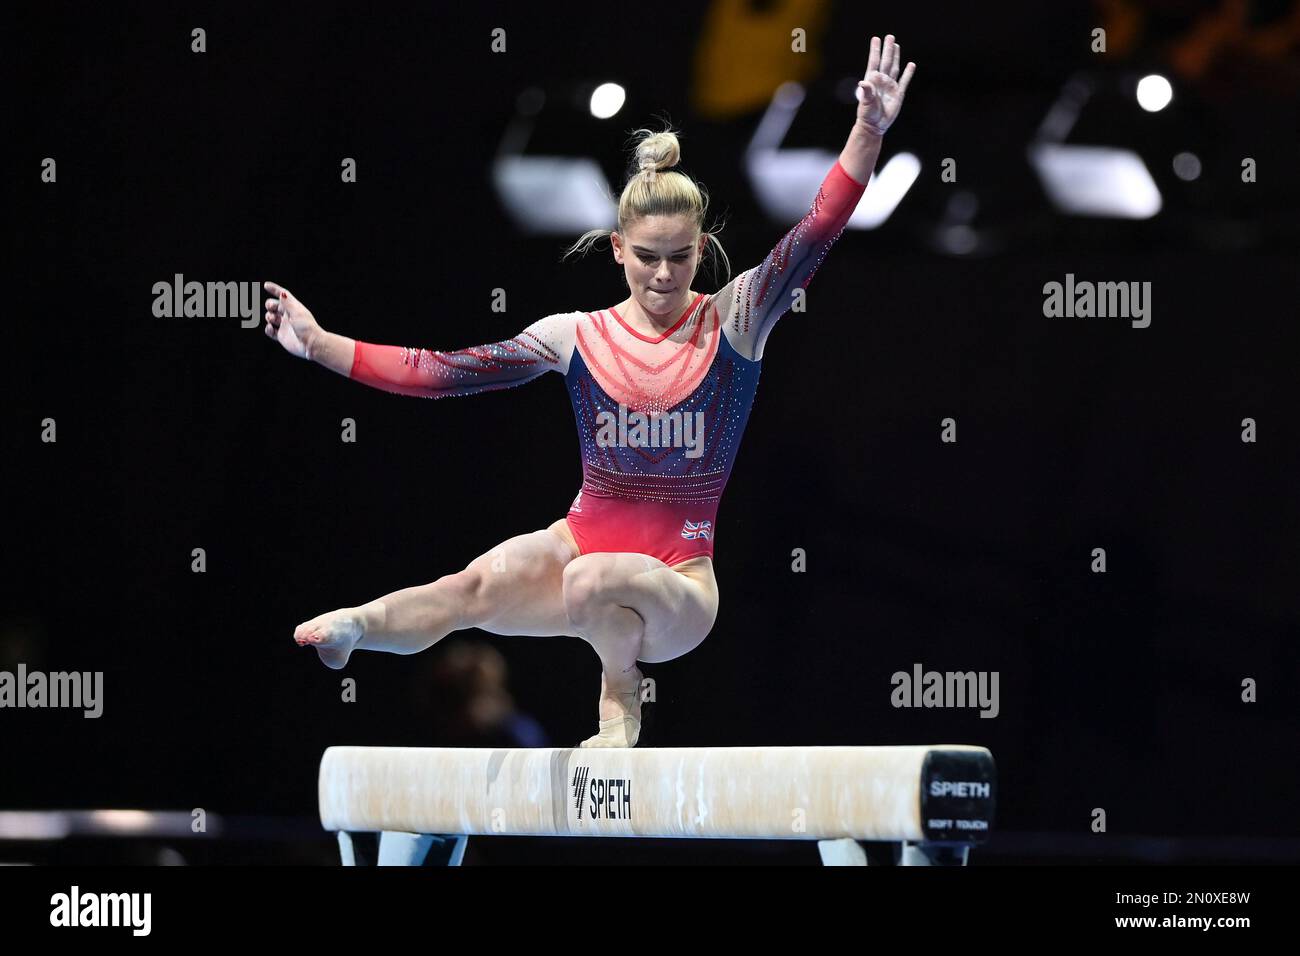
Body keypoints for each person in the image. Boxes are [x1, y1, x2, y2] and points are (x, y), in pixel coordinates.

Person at [264, 35, 916, 748]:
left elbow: (816, 228)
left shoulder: (734, 318)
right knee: (474, 588)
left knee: (589, 581)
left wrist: (867, 129)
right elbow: (442, 372)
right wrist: (319, 343)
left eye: (678, 257)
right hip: (578, 546)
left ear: (701, 250)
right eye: (645, 257)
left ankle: (619, 701)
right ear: (615, 248)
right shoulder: (575, 335)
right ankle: (358, 629)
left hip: (680, 589)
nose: (663, 276)